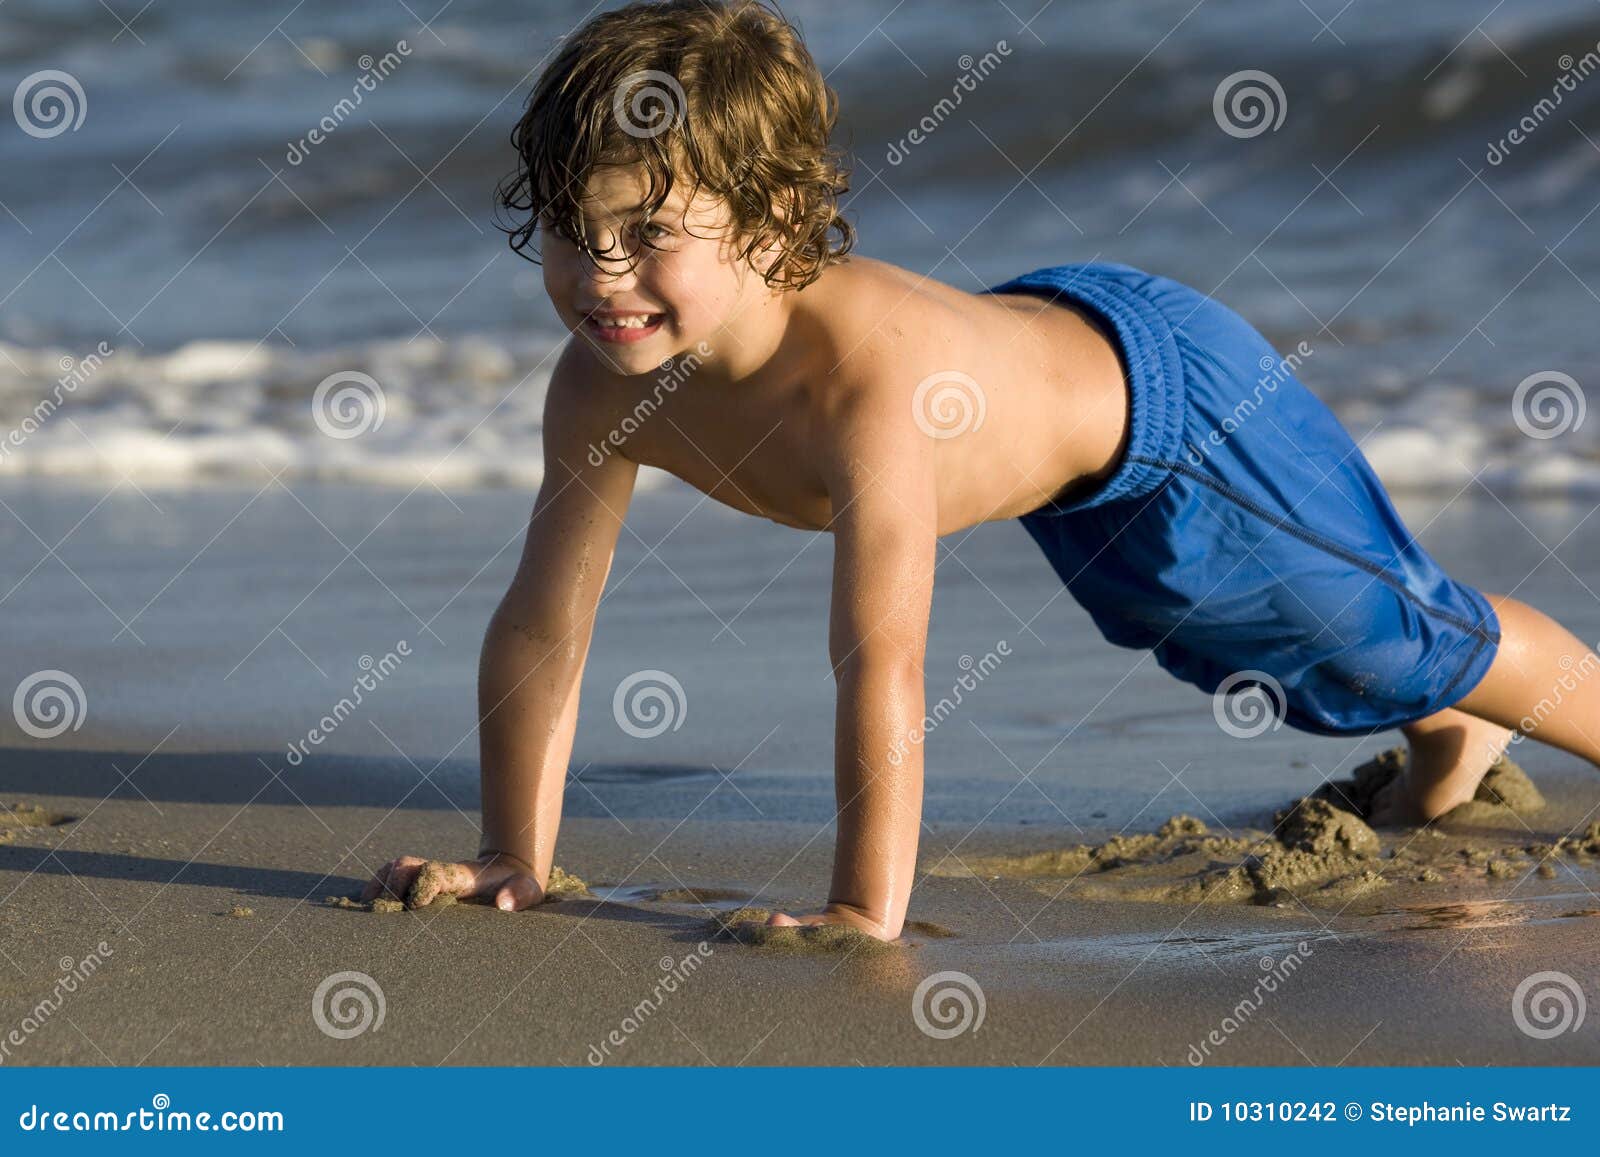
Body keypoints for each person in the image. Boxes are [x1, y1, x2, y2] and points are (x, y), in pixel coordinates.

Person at [363, 0, 1600, 942]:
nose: (603, 279)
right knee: (1233, 636)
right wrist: (511, 851)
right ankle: (1449, 735)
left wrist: (863, 910)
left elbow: (880, 653)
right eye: (577, 237)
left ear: (777, 219)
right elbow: (543, 626)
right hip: (1054, 439)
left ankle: (1483, 688)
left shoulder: (865, 381)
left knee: (1377, 625)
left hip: (1167, 408)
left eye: (648, 238)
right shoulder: (600, 387)